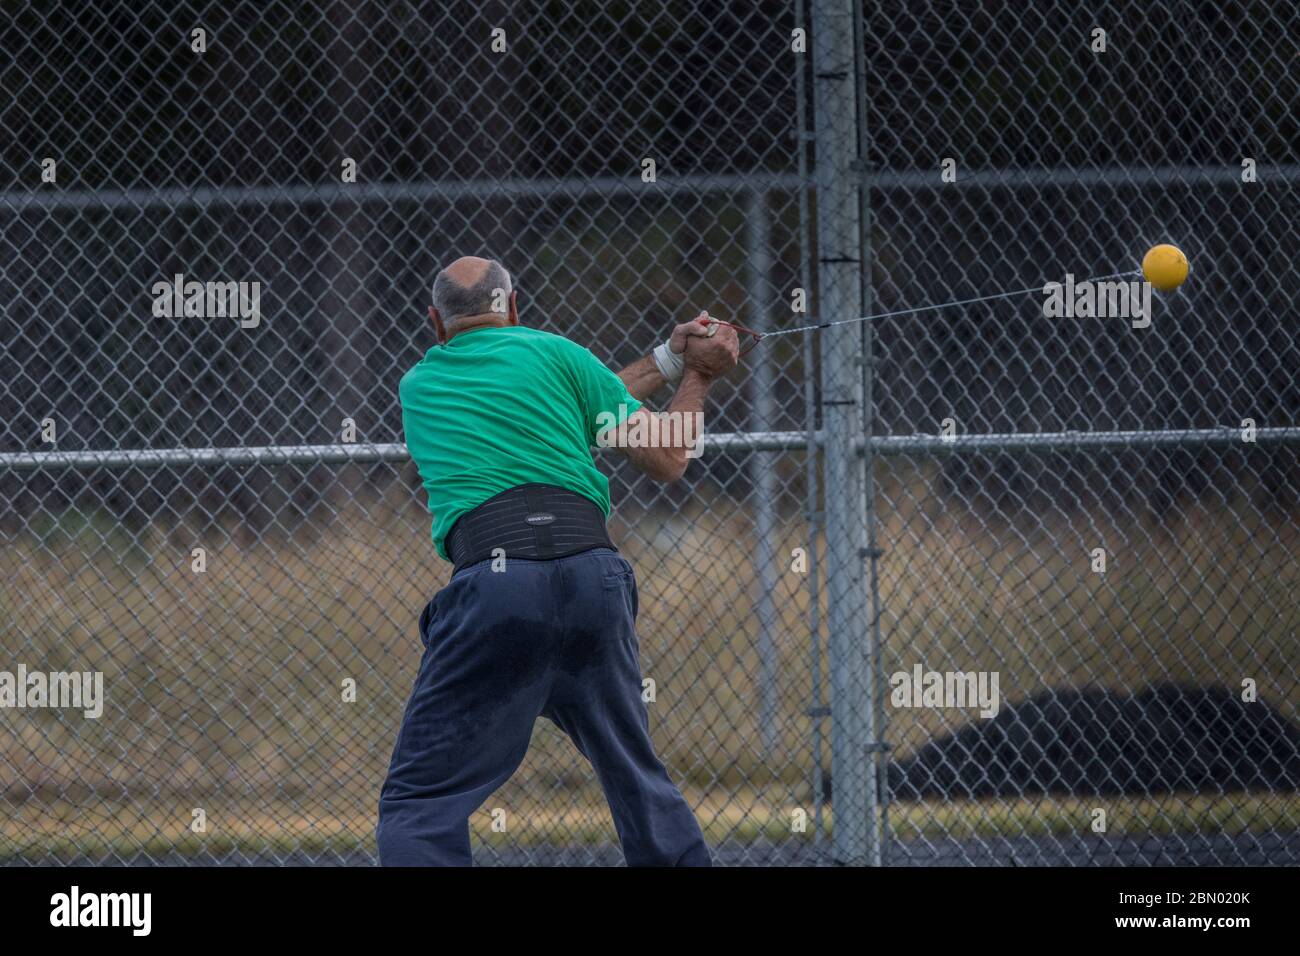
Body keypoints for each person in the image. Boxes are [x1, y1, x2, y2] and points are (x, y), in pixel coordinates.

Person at [376, 255, 740, 865]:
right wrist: (697, 376)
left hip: (494, 588)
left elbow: (569, 409)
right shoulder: (556, 353)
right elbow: (668, 455)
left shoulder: (420, 385)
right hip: (591, 578)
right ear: (514, 308)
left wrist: (670, 360)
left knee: (421, 802)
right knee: (636, 779)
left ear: (436, 322)